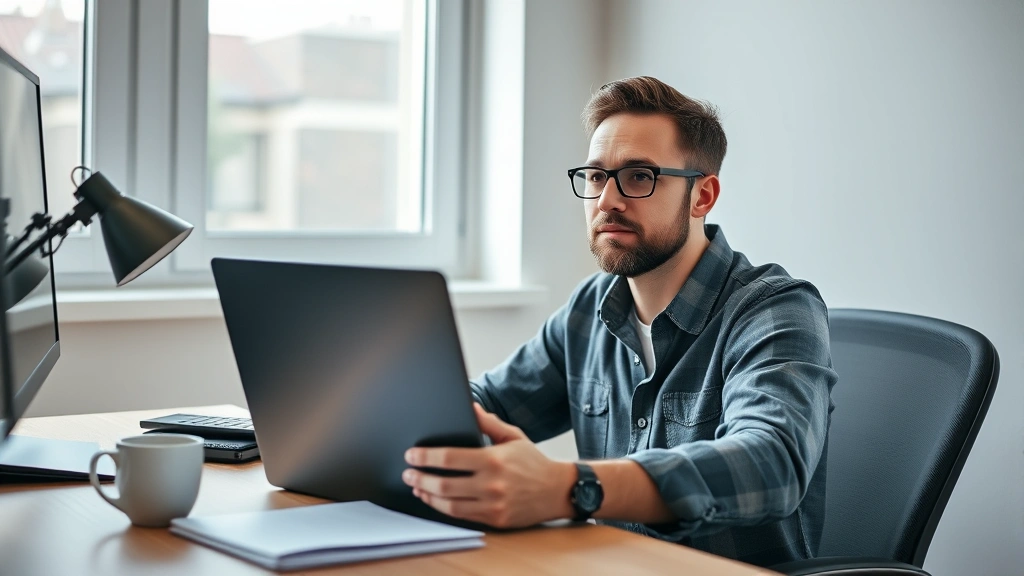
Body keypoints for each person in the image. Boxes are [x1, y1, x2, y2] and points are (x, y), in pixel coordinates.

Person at [401, 76, 837, 567]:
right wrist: (415, 426)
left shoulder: (776, 309)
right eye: (594, 176)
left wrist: (572, 487)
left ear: (702, 196)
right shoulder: (591, 308)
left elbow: (770, 463)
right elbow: (487, 404)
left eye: (638, 176)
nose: (607, 199)